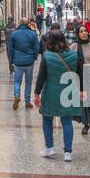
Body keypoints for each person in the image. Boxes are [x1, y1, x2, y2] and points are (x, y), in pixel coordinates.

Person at [35, 28, 81, 161]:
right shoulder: (73, 55)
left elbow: (41, 77)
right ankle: (68, 152)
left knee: (47, 118)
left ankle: (49, 148)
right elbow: (79, 73)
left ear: (50, 42)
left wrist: (37, 93)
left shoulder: (47, 56)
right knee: (66, 121)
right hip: (69, 92)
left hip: (50, 92)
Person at [7, 16, 43, 109]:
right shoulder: (33, 34)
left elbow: (10, 49)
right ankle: (27, 101)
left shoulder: (14, 34)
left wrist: (11, 61)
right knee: (28, 82)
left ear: (19, 23)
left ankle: (17, 95)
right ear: (28, 24)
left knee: (17, 81)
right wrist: (34, 57)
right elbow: (37, 48)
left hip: (18, 62)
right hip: (29, 62)